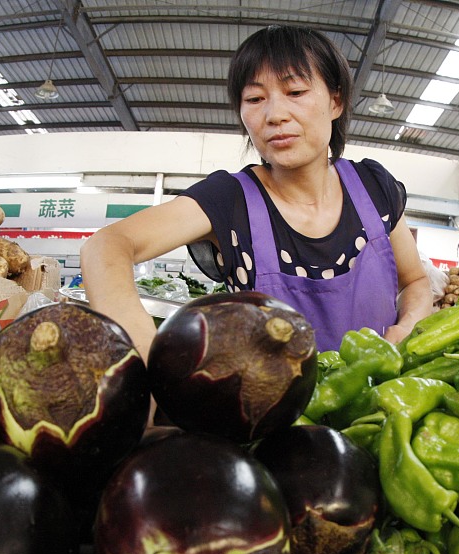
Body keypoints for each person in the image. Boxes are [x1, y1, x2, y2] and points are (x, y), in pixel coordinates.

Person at [80, 25, 434, 358]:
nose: (275, 114)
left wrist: (408, 325)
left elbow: (415, 280)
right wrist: (132, 329)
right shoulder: (230, 199)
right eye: (254, 98)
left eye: (295, 92)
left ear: (336, 102)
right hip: (267, 417)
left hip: (382, 408)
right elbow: (107, 245)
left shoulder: (373, 188)